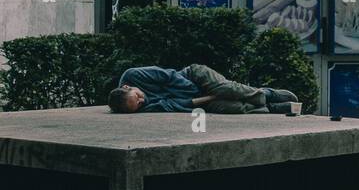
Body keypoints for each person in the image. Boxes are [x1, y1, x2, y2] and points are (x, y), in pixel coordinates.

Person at [108, 65, 298, 115]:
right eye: (138, 105)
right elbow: (174, 105)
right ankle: (271, 109)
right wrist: (207, 98)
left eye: (138, 96)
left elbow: (170, 76)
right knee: (228, 107)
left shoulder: (134, 75)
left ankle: (266, 94)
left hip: (193, 77)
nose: (142, 101)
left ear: (127, 87)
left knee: (226, 88)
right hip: (199, 98)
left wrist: (198, 91)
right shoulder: (142, 107)